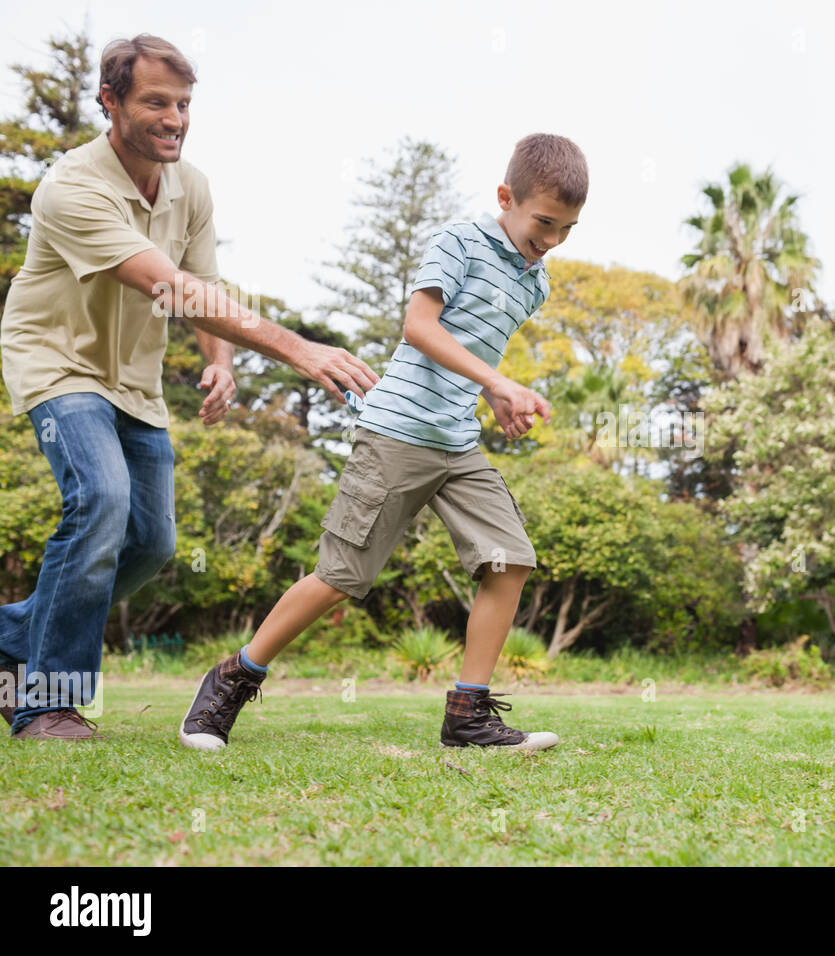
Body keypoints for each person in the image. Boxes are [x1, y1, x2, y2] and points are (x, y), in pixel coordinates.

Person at [0, 34, 378, 741]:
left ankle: (11, 637)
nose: (174, 118)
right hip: (56, 363)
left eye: (183, 103)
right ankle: (47, 700)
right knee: (101, 499)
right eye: (155, 102)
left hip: (134, 379)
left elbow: (201, 285)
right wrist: (297, 349)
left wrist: (222, 361)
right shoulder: (71, 188)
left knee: (151, 542)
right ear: (110, 101)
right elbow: (166, 283)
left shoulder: (191, 186)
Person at [179, 133, 587, 753]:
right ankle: (231, 678)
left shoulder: (535, 282)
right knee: (341, 575)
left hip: (457, 442)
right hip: (396, 431)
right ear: (506, 197)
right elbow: (419, 328)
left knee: (509, 558)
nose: (553, 240)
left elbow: (473, 352)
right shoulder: (460, 242)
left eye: (568, 230)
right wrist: (500, 381)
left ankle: (467, 714)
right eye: (545, 223)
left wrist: (495, 395)